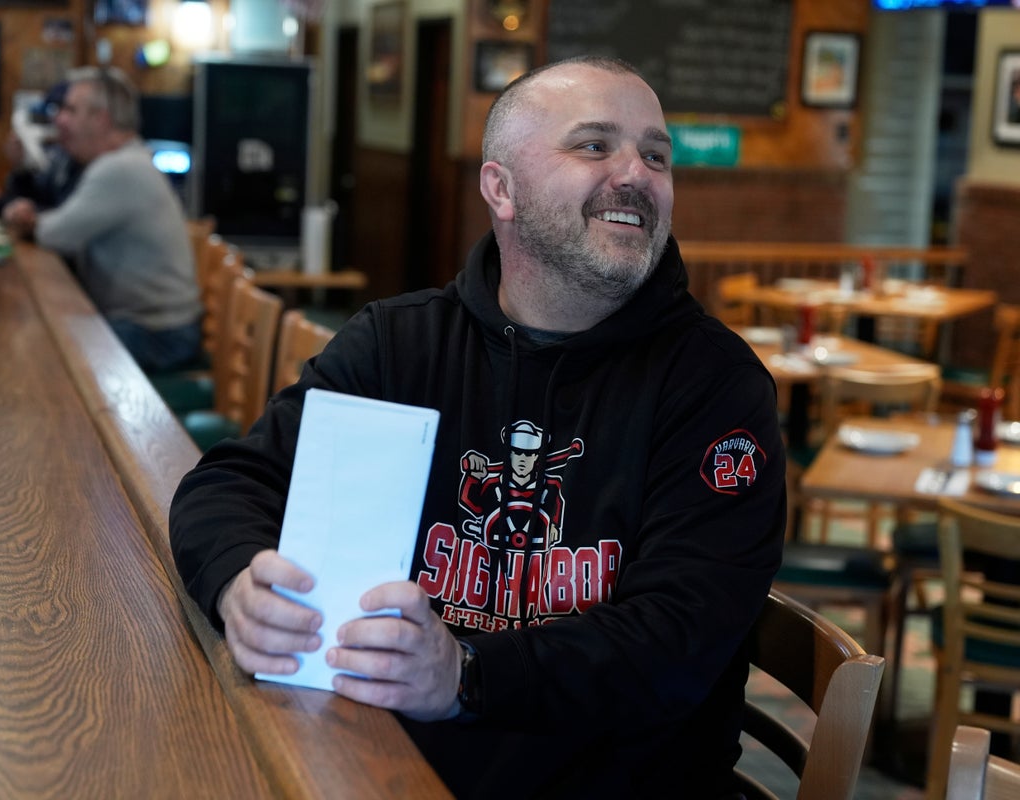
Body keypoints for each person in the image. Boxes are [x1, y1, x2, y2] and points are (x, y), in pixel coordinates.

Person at [170, 56, 786, 797]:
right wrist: (238, 580)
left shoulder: (716, 387)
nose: (636, 173)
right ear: (502, 188)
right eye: (595, 145)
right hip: (385, 766)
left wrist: (464, 675)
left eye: (655, 155)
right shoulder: (401, 345)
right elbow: (233, 480)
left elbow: (676, 642)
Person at [4, 66, 201, 373]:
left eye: (70, 110)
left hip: (158, 335)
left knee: (47, 353)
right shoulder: (126, 159)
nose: (58, 119)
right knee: (51, 338)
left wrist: (28, 219)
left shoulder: (119, 168)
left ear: (101, 119)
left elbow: (57, 234)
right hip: (156, 327)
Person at [0, 83, 84, 218]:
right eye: (55, 110)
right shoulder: (64, 156)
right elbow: (36, 201)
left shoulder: (91, 163)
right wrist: (21, 168)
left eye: (71, 111)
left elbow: (61, 222)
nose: (58, 119)